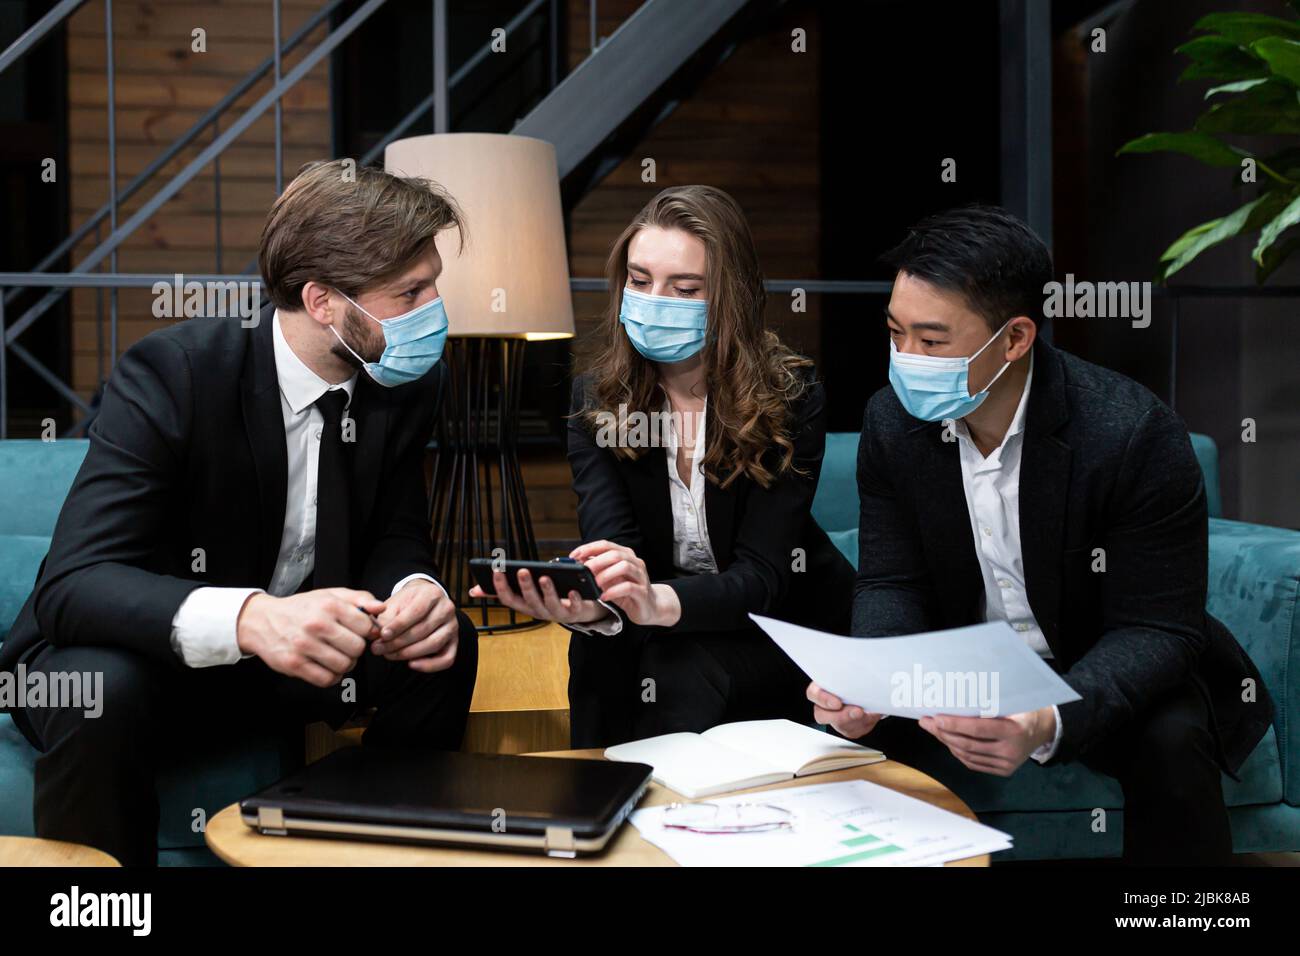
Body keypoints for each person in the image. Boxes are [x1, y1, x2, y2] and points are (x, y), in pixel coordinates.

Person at [0, 160, 478, 866]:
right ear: (322, 301)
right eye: (410, 292)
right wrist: (253, 618)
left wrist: (418, 591)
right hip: (147, 659)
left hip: (286, 666)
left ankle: (366, 853)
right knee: (102, 689)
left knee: (445, 647)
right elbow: (76, 583)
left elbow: (395, 532)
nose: (434, 308)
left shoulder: (402, 385)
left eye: (433, 284)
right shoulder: (175, 373)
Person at [809, 204, 1274, 864]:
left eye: (933, 341)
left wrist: (1047, 720)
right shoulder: (894, 424)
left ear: (1016, 338)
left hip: (1101, 657)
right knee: (845, 751)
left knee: (1171, 742)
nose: (906, 359)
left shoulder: (1130, 434)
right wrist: (872, 684)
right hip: (960, 668)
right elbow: (893, 580)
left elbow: (1159, 629)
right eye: (895, 332)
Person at [471, 184, 855, 747]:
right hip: (666, 628)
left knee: (679, 665)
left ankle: (665, 813)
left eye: (686, 288)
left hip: (784, 629)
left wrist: (654, 602)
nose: (655, 301)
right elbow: (618, 553)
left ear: (730, 296)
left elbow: (762, 579)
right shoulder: (595, 403)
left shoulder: (791, 396)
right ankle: (599, 800)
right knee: (599, 644)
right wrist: (591, 606)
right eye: (641, 279)